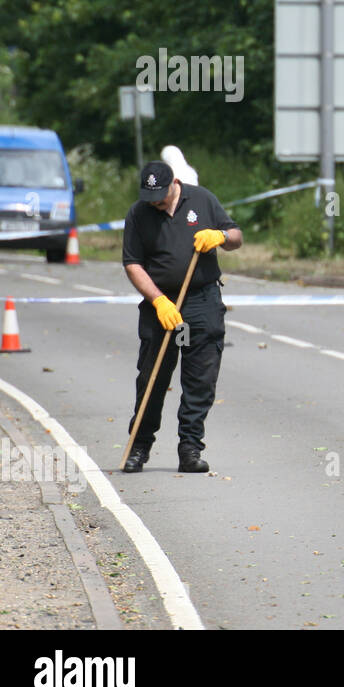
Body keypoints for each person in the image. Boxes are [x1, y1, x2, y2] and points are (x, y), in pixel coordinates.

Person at [121, 160, 241, 473]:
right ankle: (139, 446)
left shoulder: (202, 200)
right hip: (161, 306)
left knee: (199, 378)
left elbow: (236, 235)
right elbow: (133, 264)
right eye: (151, 198)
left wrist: (221, 237)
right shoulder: (138, 213)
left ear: (174, 183)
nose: (156, 203)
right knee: (152, 377)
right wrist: (159, 301)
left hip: (201, 302)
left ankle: (190, 449)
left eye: (160, 196)